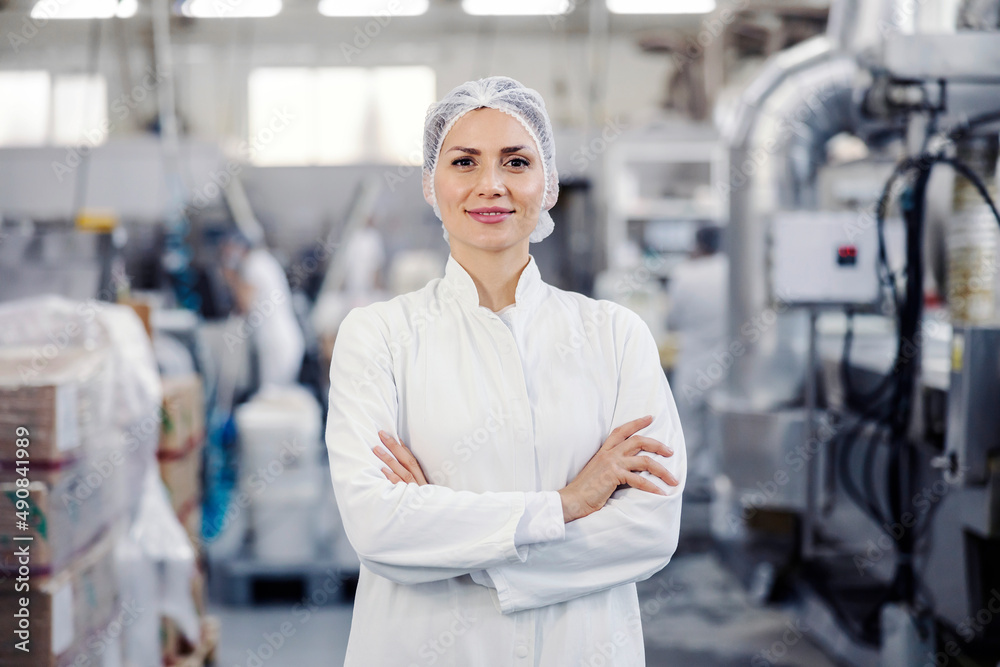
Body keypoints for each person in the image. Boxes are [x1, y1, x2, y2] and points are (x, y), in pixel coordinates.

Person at [325, 76, 687, 667]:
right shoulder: (379, 336)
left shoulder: (615, 336)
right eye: (464, 161)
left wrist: (449, 540)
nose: (490, 185)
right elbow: (377, 526)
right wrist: (567, 504)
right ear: (429, 183)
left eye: (516, 162)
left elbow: (648, 529)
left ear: (547, 185)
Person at [666, 223, 728, 488]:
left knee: (689, 433)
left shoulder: (684, 274)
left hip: (692, 367)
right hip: (726, 369)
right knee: (721, 436)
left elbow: (672, 321)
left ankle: (684, 492)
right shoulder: (732, 271)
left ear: (698, 244)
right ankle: (718, 490)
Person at [221, 231, 305, 388]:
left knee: (271, 398)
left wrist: (230, 277)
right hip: (285, 340)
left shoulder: (254, 264)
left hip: (276, 344)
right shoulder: (264, 261)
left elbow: (245, 304)